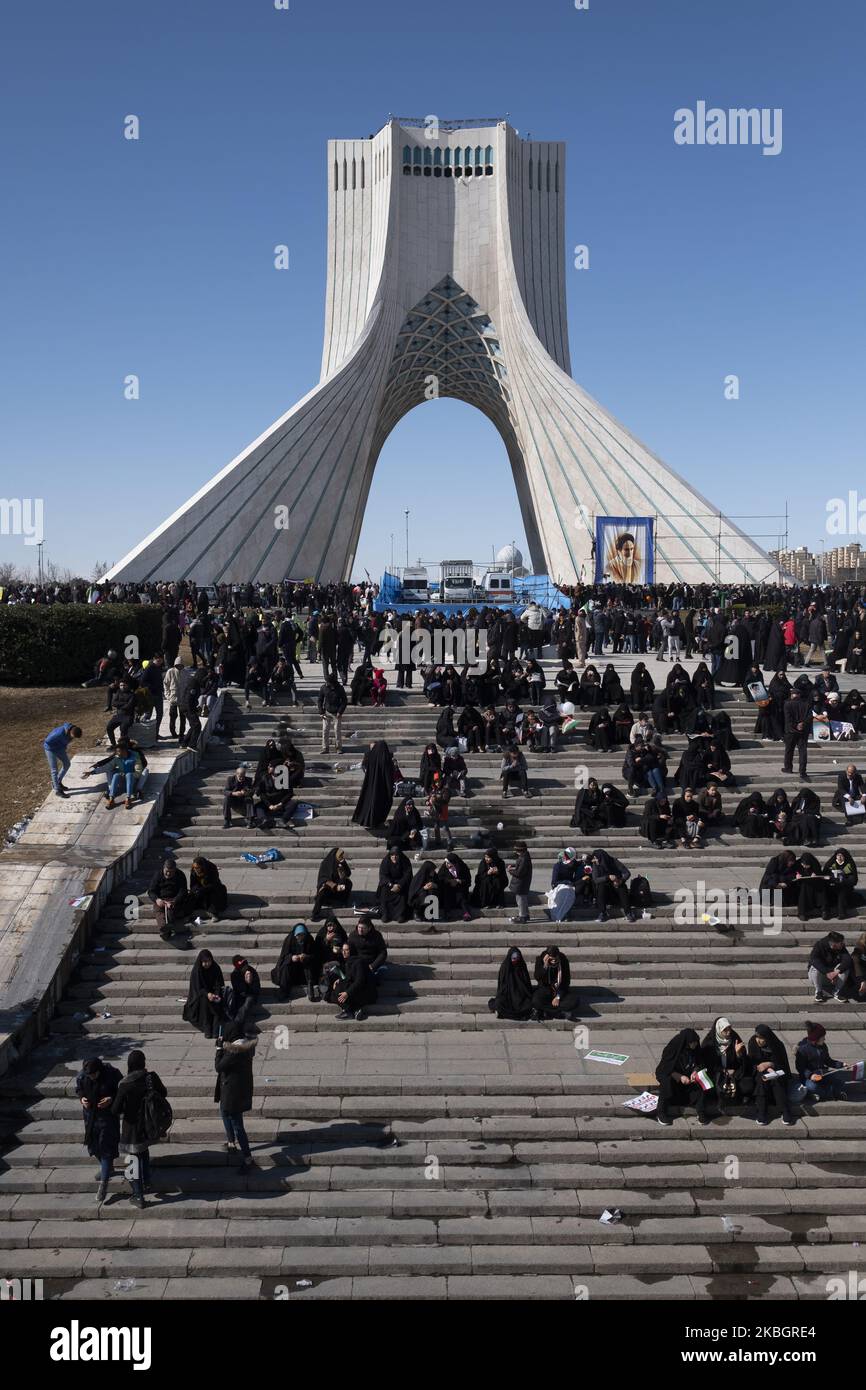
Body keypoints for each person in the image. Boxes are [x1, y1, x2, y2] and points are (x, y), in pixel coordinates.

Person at [111, 1049, 168, 1209]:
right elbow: (163, 1093)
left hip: (132, 1128)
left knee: (133, 1159)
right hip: (149, 1124)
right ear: (143, 1062)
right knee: (143, 1151)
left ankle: (138, 1195)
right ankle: (147, 1181)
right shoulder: (151, 1077)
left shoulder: (124, 1084)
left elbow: (115, 1110)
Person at [76, 1055, 123, 1204]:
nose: (92, 1077)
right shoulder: (83, 1076)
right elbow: (79, 1089)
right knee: (95, 1147)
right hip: (91, 1118)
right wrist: (82, 1098)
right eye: (90, 1075)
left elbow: (122, 1091)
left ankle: (104, 1184)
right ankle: (107, 1168)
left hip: (107, 1119)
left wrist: (111, 1099)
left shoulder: (112, 1074)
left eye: (95, 1074)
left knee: (106, 1148)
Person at [214, 1022, 256, 1171]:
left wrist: (219, 1049)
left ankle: (247, 1158)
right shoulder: (246, 1046)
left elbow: (219, 1067)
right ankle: (231, 1142)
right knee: (224, 1112)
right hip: (239, 1089)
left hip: (232, 1093)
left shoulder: (234, 1051)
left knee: (238, 1125)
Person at [655, 1028, 711, 1126]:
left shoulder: (695, 1050)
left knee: (702, 1082)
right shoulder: (673, 1048)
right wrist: (679, 1076)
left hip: (688, 1083)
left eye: (696, 1042)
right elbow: (663, 1069)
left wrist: (695, 1072)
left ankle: (701, 1112)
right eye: (692, 1043)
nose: (695, 1045)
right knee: (666, 1082)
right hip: (675, 1082)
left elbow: (699, 1063)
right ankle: (661, 1112)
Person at [747, 1024, 796, 1125]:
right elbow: (751, 1062)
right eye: (757, 1037)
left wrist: (770, 1064)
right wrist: (762, 1067)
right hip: (759, 1072)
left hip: (775, 1072)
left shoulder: (777, 1045)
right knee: (762, 1080)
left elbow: (783, 1066)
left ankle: (785, 1110)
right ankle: (762, 1112)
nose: (759, 1040)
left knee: (776, 1080)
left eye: (761, 1038)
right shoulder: (753, 1042)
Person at [700, 1017, 753, 1109]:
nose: (729, 1032)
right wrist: (724, 1070)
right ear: (719, 1030)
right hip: (716, 1073)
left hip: (734, 1073)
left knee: (747, 1085)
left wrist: (738, 1054)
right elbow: (707, 1064)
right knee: (710, 1087)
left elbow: (742, 1063)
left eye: (729, 1029)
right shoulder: (709, 1043)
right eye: (725, 1030)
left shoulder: (735, 1039)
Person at [794, 1022, 848, 1102]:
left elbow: (828, 1061)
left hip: (823, 1073)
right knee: (813, 1087)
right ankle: (833, 1094)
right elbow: (800, 1067)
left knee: (840, 1081)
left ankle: (824, 1094)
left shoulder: (823, 1046)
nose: (824, 1039)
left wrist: (842, 1064)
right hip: (809, 1077)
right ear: (815, 1039)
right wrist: (810, 1075)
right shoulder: (803, 1049)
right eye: (822, 1037)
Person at [352, 740, 398, 829]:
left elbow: (365, 767)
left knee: (369, 803)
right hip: (383, 787)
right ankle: (378, 822)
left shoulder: (372, 757)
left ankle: (367, 821)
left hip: (370, 786)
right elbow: (389, 775)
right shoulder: (386, 759)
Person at [182, 950, 225, 1037]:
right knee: (205, 1001)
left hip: (213, 994)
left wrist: (216, 994)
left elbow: (218, 984)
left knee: (217, 1002)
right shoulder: (197, 970)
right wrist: (207, 994)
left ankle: (215, 1030)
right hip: (199, 996)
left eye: (209, 961)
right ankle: (207, 1027)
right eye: (205, 962)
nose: (207, 964)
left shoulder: (215, 968)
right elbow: (197, 988)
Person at [531, 946, 580, 1021]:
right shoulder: (540, 960)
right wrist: (545, 966)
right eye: (551, 959)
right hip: (545, 989)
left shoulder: (563, 961)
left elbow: (566, 982)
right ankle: (559, 1012)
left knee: (574, 1000)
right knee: (536, 1000)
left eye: (555, 959)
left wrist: (558, 997)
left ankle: (546, 1011)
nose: (553, 961)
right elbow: (537, 977)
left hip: (559, 989)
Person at [272, 923, 320, 1000]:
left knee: (308, 965)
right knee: (286, 966)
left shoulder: (309, 939)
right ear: (295, 935)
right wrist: (291, 957)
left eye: (302, 935)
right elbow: (283, 956)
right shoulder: (289, 939)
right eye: (298, 935)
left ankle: (310, 990)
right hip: (293, 969)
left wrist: (306, 956)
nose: (300, 938)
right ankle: (284, 991)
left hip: (304, 972)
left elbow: (315, 956)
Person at [147, 856, 189, 941]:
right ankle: (164, 929)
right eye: (166, 872)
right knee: (159, 911)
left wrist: (174, 901)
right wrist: (157, 899)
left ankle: (165, 931)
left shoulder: (180, 875)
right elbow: (151, 891)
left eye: (171, 872)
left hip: (174, 899)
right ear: (163, 868)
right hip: (161, 899)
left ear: (175, 870)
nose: (168, 874)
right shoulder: (158, 875)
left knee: (170, 912)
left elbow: (183, 891)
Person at [590, 849, 636, 923]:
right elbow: (595, 879)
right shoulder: (596, 865)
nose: (595, 860)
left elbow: (627, 873)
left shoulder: (613, 861)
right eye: (594, 858)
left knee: (622, 887)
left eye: (596, 858)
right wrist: (607, 877)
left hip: (616, 891)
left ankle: (628, 912)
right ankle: (603, 912)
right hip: (605, 893)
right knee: (601, 886)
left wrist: (620, 881)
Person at [488, 947, 534, 1021]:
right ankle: (503, 1012)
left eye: (517, 958)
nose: (515, 960)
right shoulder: (505, 967)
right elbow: (502, 986)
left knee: (529, 1004)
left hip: (520, 995)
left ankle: (503, 1014)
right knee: (499, 1003)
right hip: (507, 995)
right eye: (513, 958)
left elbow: (526, 984)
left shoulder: (522, 966)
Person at [807, 930, 852, 1001]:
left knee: (845, 968)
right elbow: (814, 960)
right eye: (841, 943)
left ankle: (837, 992)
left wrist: (836, 972)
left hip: (834, 978)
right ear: (834, 944)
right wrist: (827, 973)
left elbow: (848, 960)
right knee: (815, 967)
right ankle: (819, 992)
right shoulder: (819, 945)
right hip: (818, 977)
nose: (843, 944)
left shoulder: (841, 947)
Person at [43, 721, 82, 797]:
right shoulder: (59, 733)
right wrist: (59, 745)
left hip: (60, 749)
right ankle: (57, 790)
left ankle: (57, 782)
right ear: (70, 731)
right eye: (73, 736)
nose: (72, 738)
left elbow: (66, 741)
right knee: (54, 769)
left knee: (67, 764)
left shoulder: (71, 732)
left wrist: (62, 747)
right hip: (50, 749)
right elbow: (47, 741)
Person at [312, 848, 353, 920]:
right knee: (322, 891)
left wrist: (343, 863)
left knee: (349, 883)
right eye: (340, 856)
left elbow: (348, 874)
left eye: (342, 856)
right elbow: (323, 879)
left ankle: (343, 901)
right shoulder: (325, 864)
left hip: (339, 889)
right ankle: (315, 913)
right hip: (329, 888)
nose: (341, 858)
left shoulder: (341, 862)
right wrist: (335, 886)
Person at [226, 954, 261, 1032]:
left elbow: (256, 989)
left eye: (246, 965)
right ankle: (232, 1020)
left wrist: (250, 982)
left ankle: (236, 1024)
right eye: (243, 967)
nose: (246, 968)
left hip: (251, 995)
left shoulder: (252, 971)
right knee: (233, 1002)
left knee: (246, 1004)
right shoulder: (234, 974)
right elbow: (238, 989)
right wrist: (245, 982)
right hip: (239, 995)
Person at [377, 846, 412, 922]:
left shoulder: (405, 861)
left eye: (396, 855)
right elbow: (383, 875)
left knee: (402, 894)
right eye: (392, 855)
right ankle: (385, 914)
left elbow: (407, 875)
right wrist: (390, 884)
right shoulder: (385, 861)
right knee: (384, 892)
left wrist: (399, 885)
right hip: (389, 883)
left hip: (401, 883)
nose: (394, 857)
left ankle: (400, 915)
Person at [782, 687, 811, 780]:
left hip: (791, 731)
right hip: (803, 731)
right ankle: (802, 771)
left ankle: (788, 768)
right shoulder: (806, 703)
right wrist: (803, 724)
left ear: (792, 695)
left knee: (789, 750)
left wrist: (796, 725)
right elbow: (810, 716)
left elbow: (788, 719)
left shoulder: (787, 704)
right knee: (802, 751)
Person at [188, 855, 228, 921]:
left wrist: (203, 889)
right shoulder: (193, 870)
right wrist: (196, 889)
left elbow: (214, 884)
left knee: (213, 896)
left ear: (202, 866)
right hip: (200, 889)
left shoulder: (211, 868)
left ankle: (214, 914)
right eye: (195, 868)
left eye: (198, 868)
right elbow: (192, 884)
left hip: (212, 888)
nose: (196, 870)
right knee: (191, 897)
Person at [823, 849, 858, 920]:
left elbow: (853, 880)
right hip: (832, 885)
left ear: (845, 857)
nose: (839, 857)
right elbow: (825, 873)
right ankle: (825, 912)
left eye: (841, 856)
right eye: (838, 855)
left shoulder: (849, 864)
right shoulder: (831, 863)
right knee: (824, 890)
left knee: (842, 891)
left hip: (845, 886)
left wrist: (843, 880)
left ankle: (842, 913)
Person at [436, 852, 473, 920]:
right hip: (448, 888)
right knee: (447, 895)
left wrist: (459, 881)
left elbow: (468, 880)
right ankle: (447, 913)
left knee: (461, 897)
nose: (446, 864)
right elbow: (439, 879)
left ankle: (466, 913)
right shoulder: (444, 867)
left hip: (460, 888)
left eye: (449, 863)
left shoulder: (463, 867)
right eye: (446, 862)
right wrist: (449, 881)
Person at [318, 672, 347, 753]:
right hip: (326, 711)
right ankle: (325, 748)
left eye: (328, 682)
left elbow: (344, 701)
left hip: (337, 712)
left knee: (337, 730)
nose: (327, 683)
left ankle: (338, 747)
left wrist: (340, 712)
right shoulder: (324, 687)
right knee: (325, 730)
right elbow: (320, 700)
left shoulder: (340, 688)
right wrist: (321, 711)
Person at [508, 840, 533, 923]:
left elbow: (519, 873)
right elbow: (520, 866)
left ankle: (522, 916)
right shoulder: (524, 857)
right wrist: (514, 866)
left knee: (520, 900)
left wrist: (510, 871)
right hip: (523, 883)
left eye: (517, 851)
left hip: (521, 883)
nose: (516, 852)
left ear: (520, 850)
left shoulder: (524, 858)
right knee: (523, 899)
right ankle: (526, 914)